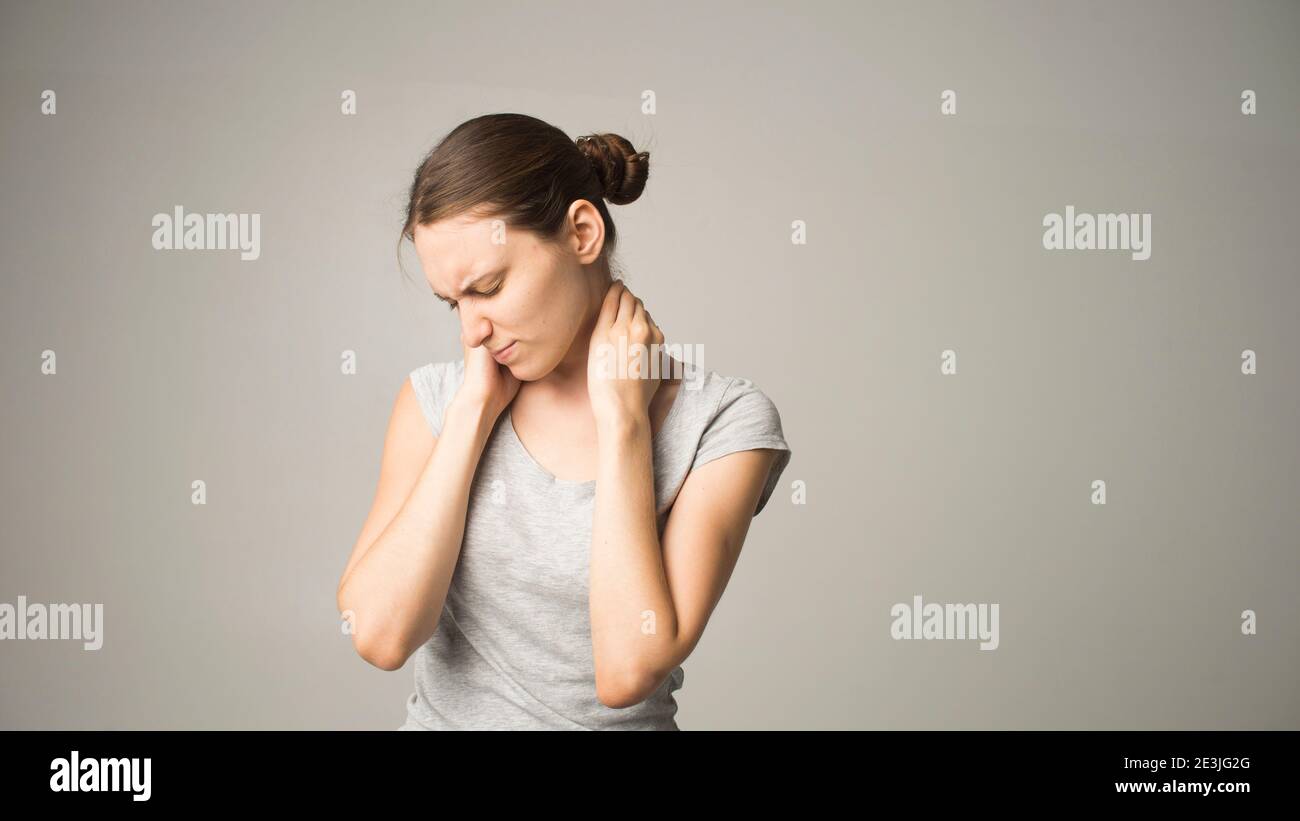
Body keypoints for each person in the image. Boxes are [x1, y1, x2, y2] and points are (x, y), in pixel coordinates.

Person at [336, 113, 792, 730]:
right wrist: (473, 414)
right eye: (453, 302)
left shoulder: (723, 423)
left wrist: (624, 422)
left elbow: (628, 670)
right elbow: (380, 636)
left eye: (490, 287)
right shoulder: (437, 400)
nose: (470, 331)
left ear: (581, 232)